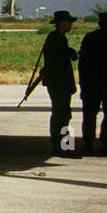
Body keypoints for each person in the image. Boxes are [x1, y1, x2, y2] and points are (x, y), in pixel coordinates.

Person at [79, 12, 107, 156]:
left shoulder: (90, 38)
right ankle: (105, 143)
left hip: (92, 83)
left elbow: (82, 62)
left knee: (89, 115)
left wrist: (83, 82)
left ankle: (89, 143)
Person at [42, 10, 80, 157]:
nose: (70, 24)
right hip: (59, 83)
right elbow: (61, 65)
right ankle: (64, 148)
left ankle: (60, 147)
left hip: (58, 83)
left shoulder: (57, 39)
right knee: (62, 115)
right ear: (62, 23)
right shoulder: (56, 40)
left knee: (61, 114)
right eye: (69, 22)